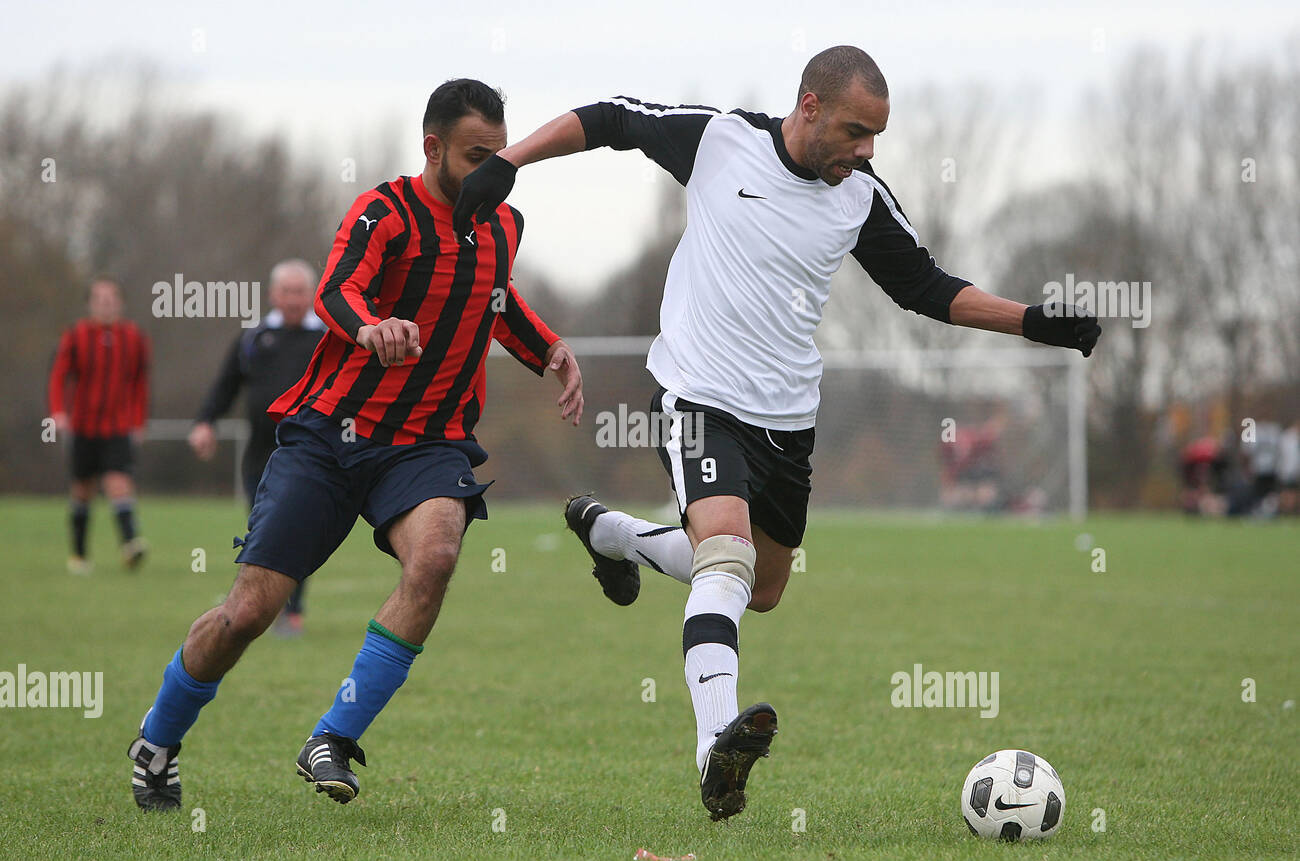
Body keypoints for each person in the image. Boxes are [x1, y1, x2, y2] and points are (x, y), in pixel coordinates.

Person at [454, 45, 1101, 821]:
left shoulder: (859, 196)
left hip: (788, 422)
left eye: (877, 138)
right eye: (857, 131)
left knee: (759, 589)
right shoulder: (720, 141)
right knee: (723, 556)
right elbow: (610, 119)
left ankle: (615, 536)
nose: (866, 151)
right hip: (697, 397)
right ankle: (713, 751)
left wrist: (1033, 322)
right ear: (810, 107)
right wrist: (512, 163)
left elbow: (925, 286)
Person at [127, 78, 583, 812]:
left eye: (501, 157)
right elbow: (337, 291)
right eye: (475, 156)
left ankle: (332, 737)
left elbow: (493, 300)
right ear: (432, 147)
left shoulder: (502, 223)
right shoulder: (386, 210)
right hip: (330, 439)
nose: (491, 173)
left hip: (426, 443)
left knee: (436, 554)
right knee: (247, 614)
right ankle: (157, 737)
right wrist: (371, 327)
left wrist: (550, 349)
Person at [188, 259, 327, 634]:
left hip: (310, 454)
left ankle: (293, 610)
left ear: (311, 294)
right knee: (262, 529)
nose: (294, 299)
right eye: (287, 291)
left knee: (297, 528)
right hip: (260, 456)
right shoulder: (254, 337)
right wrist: (205, 423)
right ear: (273, 295)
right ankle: (262, 605)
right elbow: (225, 384)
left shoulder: (328, 337)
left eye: (300, 292)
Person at [47, 275, 151, 574]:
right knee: (82, 489)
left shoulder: (134, 338)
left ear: (120, 303)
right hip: (83, 427)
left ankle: (131, 544)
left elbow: (140, 382)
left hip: (118, 427)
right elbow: (58, 376)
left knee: (119, 482)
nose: (106, 305)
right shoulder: (76, 336)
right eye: (99, 300)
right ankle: (79, 556)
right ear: (90, 304)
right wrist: (58, 411)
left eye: (111, 299)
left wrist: (138, 420)